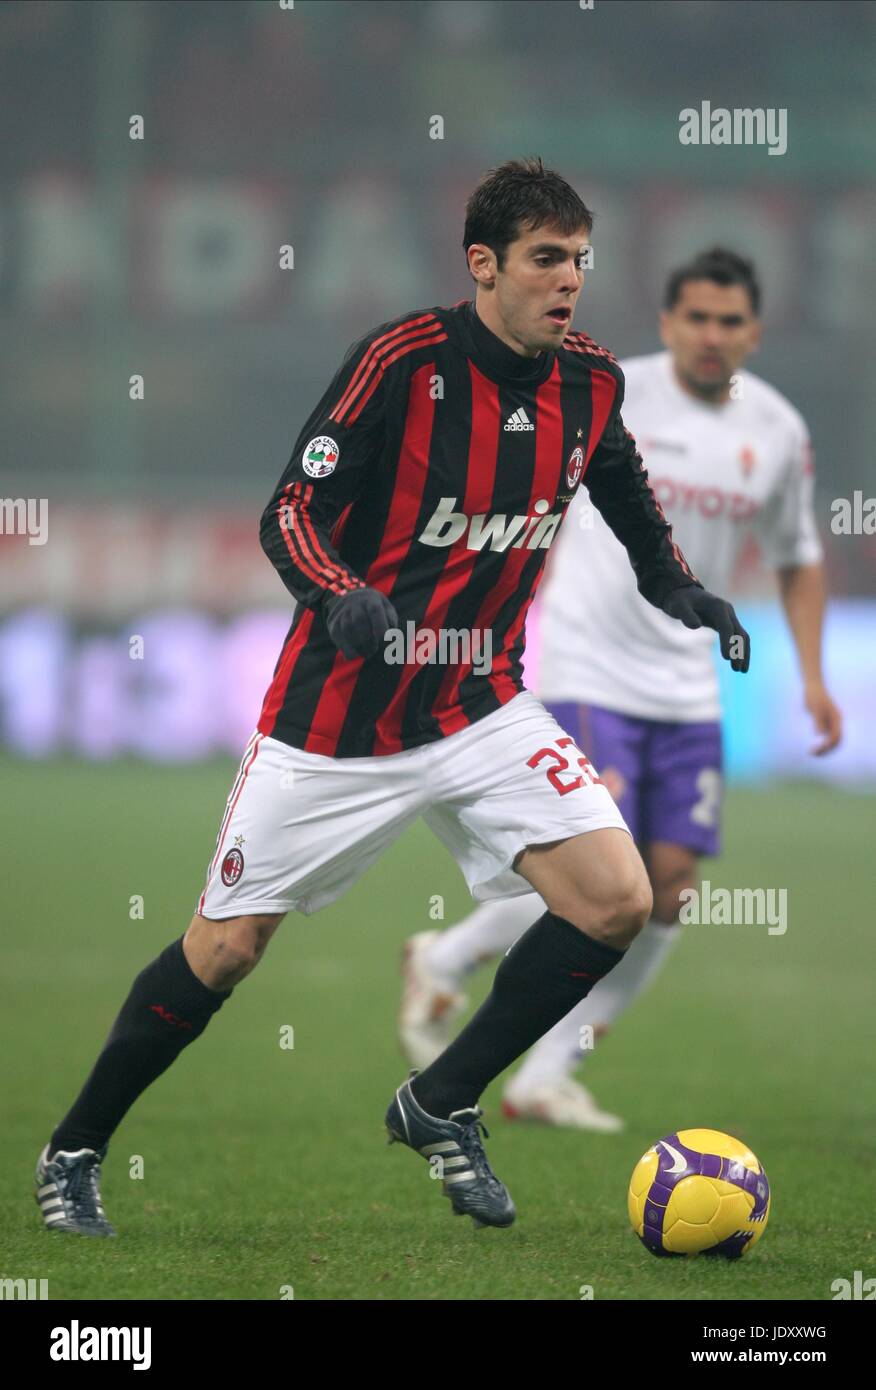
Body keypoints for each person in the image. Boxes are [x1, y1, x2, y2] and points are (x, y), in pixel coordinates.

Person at [35, 160, 748, 1237]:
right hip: (337, 722)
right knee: (223, 950)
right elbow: (291, 513)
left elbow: (630, 504)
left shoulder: (592, 382)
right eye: (546, 259)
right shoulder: (399, 364)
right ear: (484, 265)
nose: (569, 281)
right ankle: (75, 1147)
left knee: (617, 896)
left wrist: (682, 589)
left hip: (481, 704)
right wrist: (338, 592)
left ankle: (439, 1098)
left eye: (579, 261)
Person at [399, 248, 841, 1132]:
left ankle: (544, 1069)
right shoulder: (602, 387)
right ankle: (448, 961)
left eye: (730, 322)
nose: (712, 336)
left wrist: (816, 678)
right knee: (609, 873)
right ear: (670, 322)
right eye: (697, 318)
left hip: (686, 682)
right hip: (584, 663)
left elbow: (797, 558)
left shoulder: (780, 432)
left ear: (753, 331)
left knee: (670, 888)